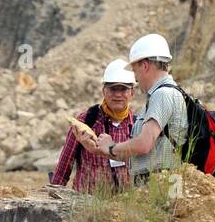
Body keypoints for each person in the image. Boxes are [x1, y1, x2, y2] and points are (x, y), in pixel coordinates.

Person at [92, 33, 188, 183]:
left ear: (145, 66)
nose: (135, 78)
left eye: (135, 70)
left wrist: (111, 147)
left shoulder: (162, 95)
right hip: (161, 182)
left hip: (161, 184)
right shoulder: (164, 94)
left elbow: (144, 144)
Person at [50, 59, 136, 191]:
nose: (118, 94)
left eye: (123, 89)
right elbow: (65, 163)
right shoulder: (87, 120)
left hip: (123, 206)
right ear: (104, 91)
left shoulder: (137, 125)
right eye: (113, 88)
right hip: (85, 204)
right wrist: (54, 191)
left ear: (132, 93)